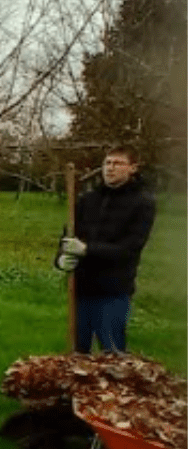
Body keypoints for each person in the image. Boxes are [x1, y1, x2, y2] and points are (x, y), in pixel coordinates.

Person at [54, 146, 155, 353]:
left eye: (117, 163)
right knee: (77, 354)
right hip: (81, 288)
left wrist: (87, 250)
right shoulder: (87, 200)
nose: (110, 168)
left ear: (132, 168)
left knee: (112, 355)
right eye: (107, 163)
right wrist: (61, 259)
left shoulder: (142, 203)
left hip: (113, 290)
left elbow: (130, 248)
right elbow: (68, 235)